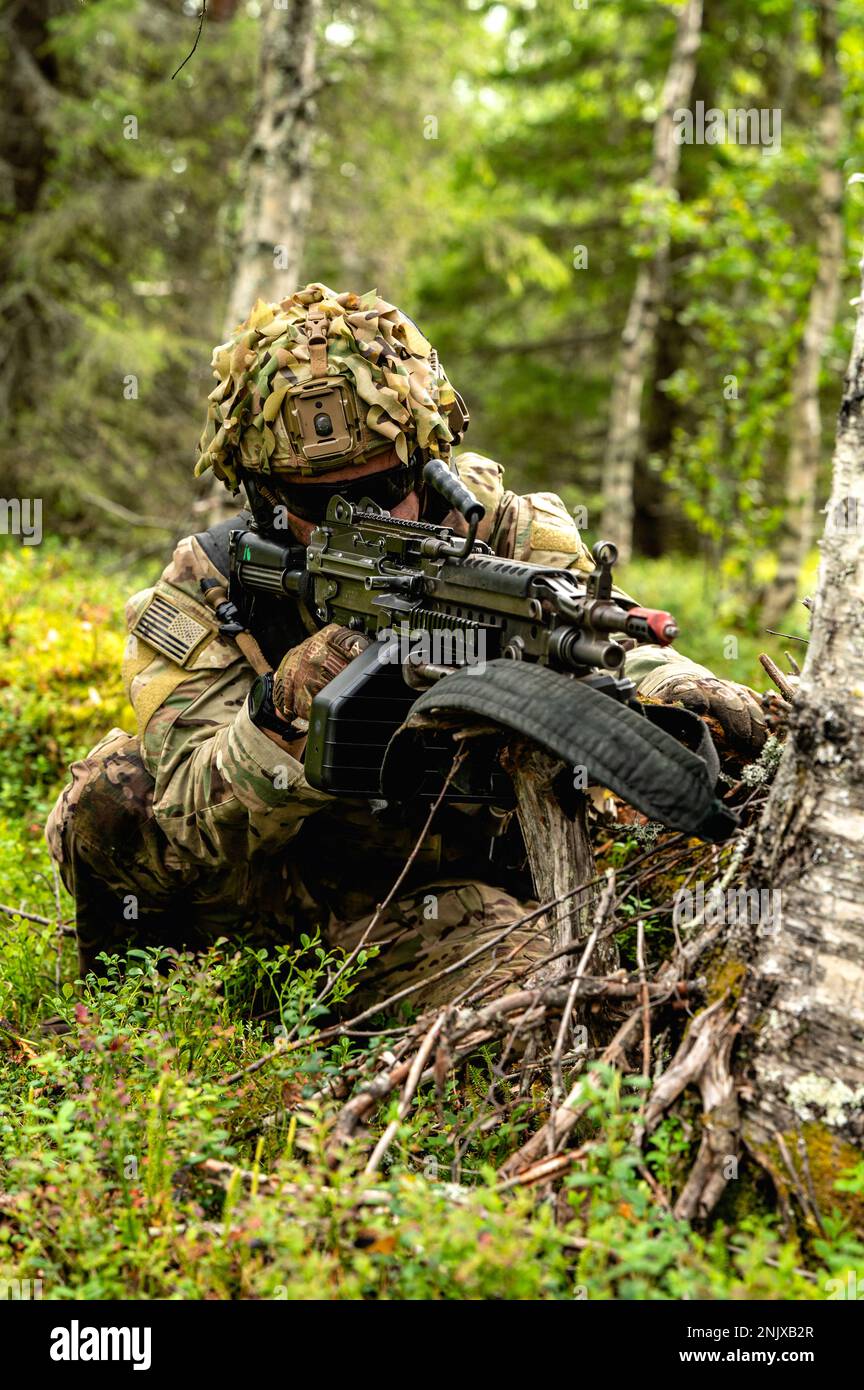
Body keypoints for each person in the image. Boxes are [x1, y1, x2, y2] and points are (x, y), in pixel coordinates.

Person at [45, 284, 765, 1009]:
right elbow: (187, 818)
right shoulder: (213, 584)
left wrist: (677, 687)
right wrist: (280, 714)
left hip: (463, 885)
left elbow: (592, 635)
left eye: (388, 486)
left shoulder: (505, 539)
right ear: (264, 493)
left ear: (429, 460)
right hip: (292, 895)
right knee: (109, 795)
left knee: (547, 994)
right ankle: (148, 1023)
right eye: (320, 504)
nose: (363, 518)